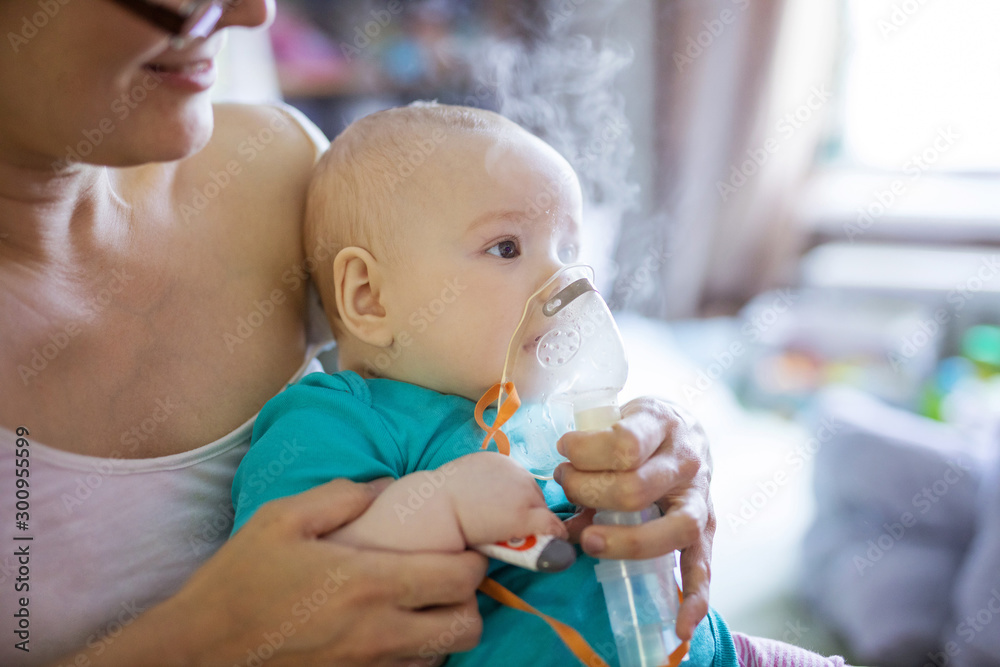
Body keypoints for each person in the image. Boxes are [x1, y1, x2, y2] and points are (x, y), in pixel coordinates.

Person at [0, 2, 715, 665]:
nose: (256, 11)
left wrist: (662, 452)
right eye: (506, 249)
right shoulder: (341, 421)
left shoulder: (276, 169)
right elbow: (332, 547)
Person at [230, 103, 848, 667]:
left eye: (570, 249)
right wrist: (444, 507)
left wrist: (644, 473)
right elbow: (291, 596)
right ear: (369, 297)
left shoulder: (552, 411)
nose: (567, 281)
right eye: (506, 247)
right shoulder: (340, 420)